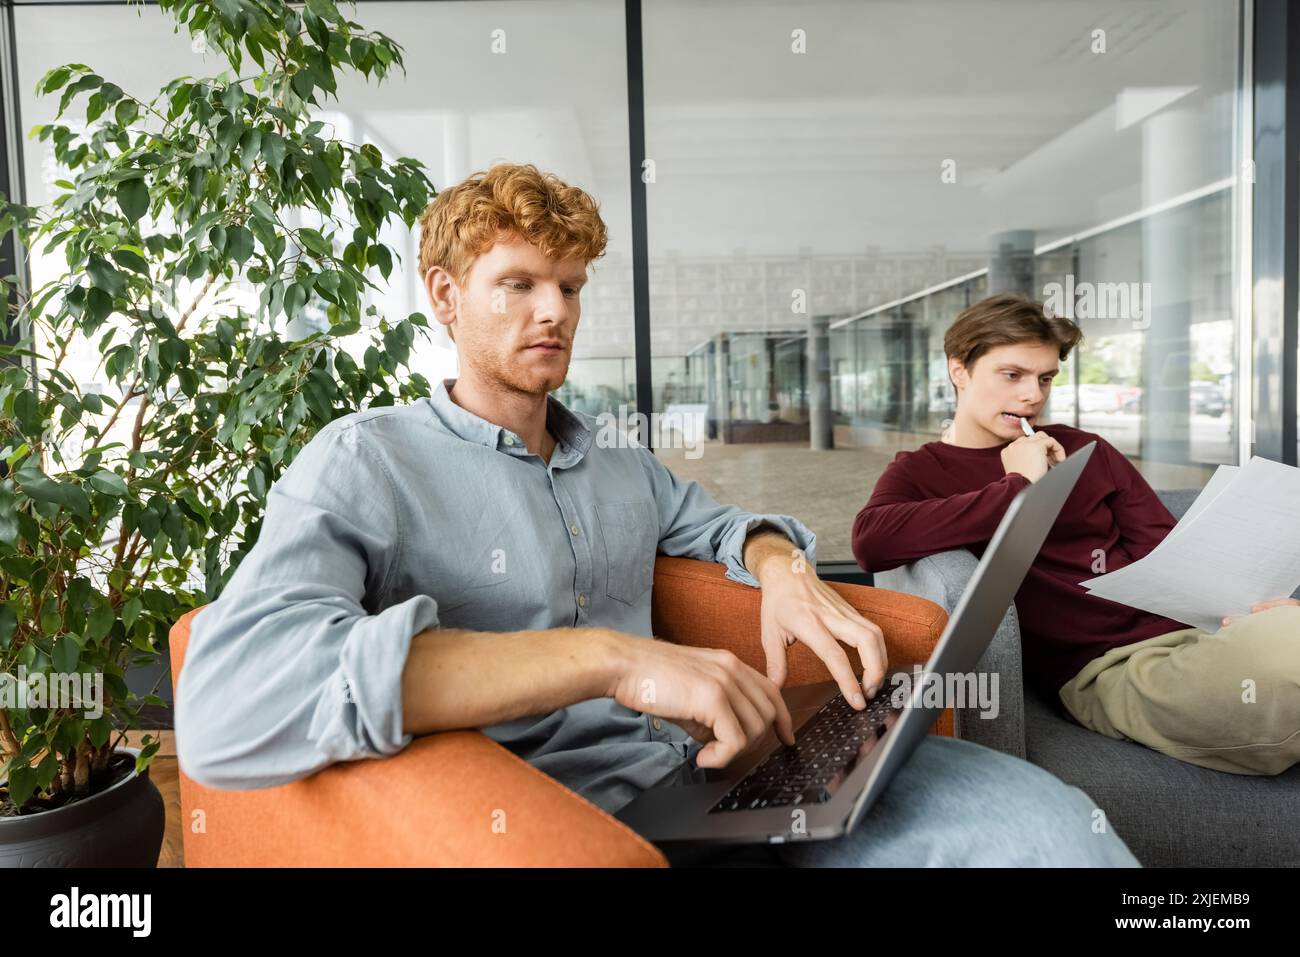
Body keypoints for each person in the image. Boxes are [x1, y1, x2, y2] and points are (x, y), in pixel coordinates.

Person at [175, 165, 1137, 867]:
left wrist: (780, 565)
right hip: (559, 819)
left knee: (1054, 831)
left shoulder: (621, 465)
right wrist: (612, 656)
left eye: (571, 286)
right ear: (444, 296)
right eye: (519, 283)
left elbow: (726, 525)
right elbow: (230, 702)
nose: (554, 310)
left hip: (718, 778)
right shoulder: (366, 460)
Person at [853, 293, 1300, 777]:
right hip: (1110, 671)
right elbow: (871, 542)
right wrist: (1017, 487)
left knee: (1286, 636)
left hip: (1201, 638)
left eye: (1045, 377)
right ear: (959, 370)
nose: (1032, 395)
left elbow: (1167, 551)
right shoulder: (923, 471)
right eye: (1012, 375)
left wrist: (1248, 606)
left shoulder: (1086, 448)